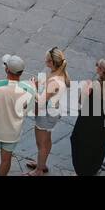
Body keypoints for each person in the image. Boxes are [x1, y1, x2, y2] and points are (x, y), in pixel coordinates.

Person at [71, 58, 105, 175]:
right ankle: (91, 170)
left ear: (101, 71)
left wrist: (84, 90)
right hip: (104, 124)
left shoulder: (93, 86)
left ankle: (81, 172)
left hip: (89, 123)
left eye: (97, 65)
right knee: (97, 149)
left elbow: (80, 104)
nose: (95, 66)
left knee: (81, 146)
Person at [26, 47, 69, 175]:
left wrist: (33, 87)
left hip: (46, 115)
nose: (45, 62)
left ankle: (39, 170)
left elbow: (40, 100)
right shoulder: (60, 73)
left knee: (41, 142)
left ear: (52, 62)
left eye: (47, 60)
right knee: (47, 139)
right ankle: (41, 163)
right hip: (53, 112)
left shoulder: (54, 81)